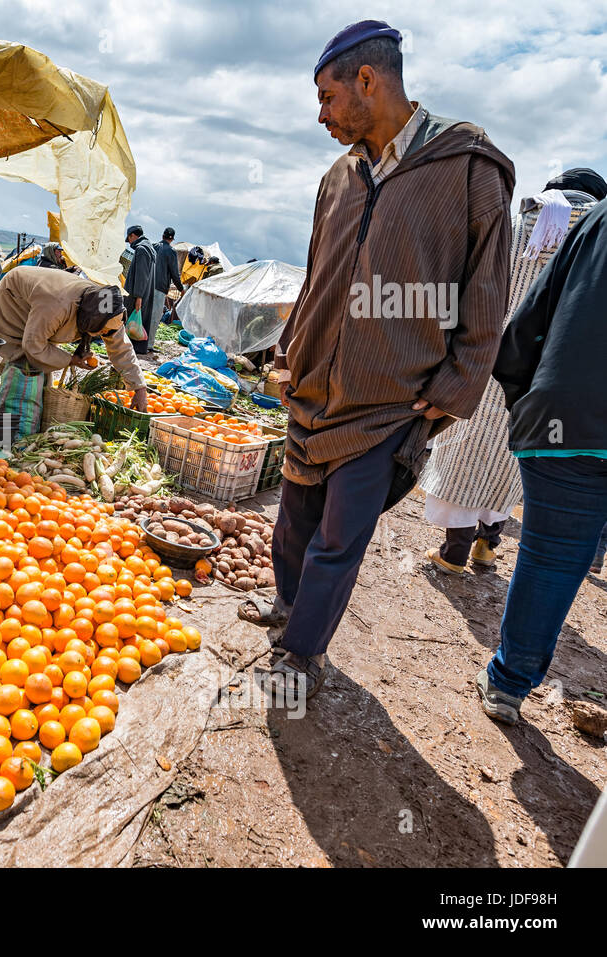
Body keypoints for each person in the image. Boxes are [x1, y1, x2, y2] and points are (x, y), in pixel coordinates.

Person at [238, 20, 514, 701]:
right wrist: (287, 351)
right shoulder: (338, 177)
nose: (322, 115)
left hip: (391, 395)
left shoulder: (470, 167)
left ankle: (303, 655)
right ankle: (286, 607)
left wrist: (454, 388)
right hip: (312, 384)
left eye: (327, 97)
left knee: (339, 536)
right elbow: (315, 275)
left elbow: (487, 293)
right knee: (294, 517)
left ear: (368, 80)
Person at [420, 168, 603, 574]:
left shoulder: (519, 222)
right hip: (545, 376)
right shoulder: (596, 239)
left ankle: (454, 553)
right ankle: (488, 546)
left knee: (464, 451)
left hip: (484, 360)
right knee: (510, 458)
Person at [474, 200, 607, 724]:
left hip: (569, 418)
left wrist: (523, 393)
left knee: (551, 559)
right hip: (569, 414)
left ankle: (508, 685)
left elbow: (535, 311)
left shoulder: (598, 219)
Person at [0, 266, 149, 433]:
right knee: (21, 368)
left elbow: (121, 348)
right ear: (89, 323)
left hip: (41, 311)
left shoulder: (107, 311)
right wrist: (70, 360)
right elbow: (33, 345)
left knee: (41, 376)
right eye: (102, 332)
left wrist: (139, 388)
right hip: (12, 301)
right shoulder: (57, 305)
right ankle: (9, 432)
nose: (105, 335)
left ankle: (32, 423)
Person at [123, 225, 158, 353]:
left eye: (129, 239)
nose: (130, 243)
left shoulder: (142, 249)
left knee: (132, 320)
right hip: (145, 292)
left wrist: (138, 296)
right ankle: (136, 348)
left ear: (133, 235)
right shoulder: (149, 248)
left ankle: (129, 349)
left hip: (137, 293)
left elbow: (141, 275)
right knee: (139, 320)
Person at [154, 226, 184, 324]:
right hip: (160, 288)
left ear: (162, 236)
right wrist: (181, 289)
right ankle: (148, 338)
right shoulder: (171, 252)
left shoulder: (153, 246)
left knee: (145, 313)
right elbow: (175, 274)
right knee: (155, 316)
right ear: (171, 239)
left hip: (147, 286)